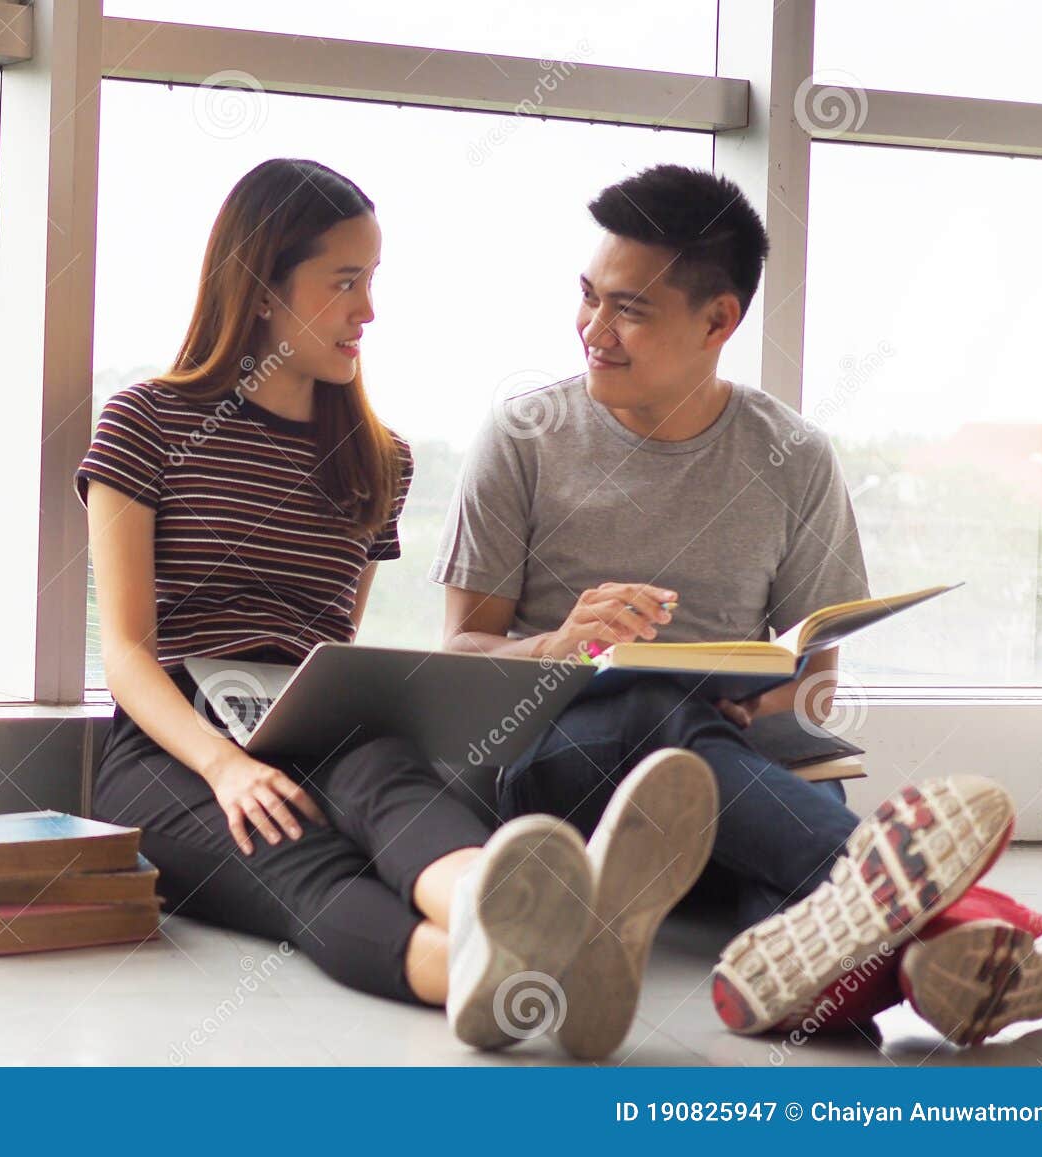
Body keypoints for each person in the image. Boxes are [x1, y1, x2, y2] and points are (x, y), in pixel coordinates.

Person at [433, 163, 1042, 1049]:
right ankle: (959, 912)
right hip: (551, 780)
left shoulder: (794, 456)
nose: (594, 330)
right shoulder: (523, 437)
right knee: (651, 710)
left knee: (773, 873)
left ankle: (928, 964)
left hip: (715, 786)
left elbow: (814, 685)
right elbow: (456, 658)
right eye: (588, 298)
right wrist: (558, 643)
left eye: (628, 309)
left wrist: (768, 697)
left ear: (718, 321)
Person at [79, 157, 704, 1057]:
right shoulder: (144, 423)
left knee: (390, 778)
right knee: (303, 862)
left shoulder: (379, 459)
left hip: (307, 717)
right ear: (260, 288)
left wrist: (549, 647)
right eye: (345, 282)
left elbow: (332, 647)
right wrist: (225, 768)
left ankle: (534, 923)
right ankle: (532, 965)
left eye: (372, 281)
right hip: (173, 743)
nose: (368, 309)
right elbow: (129, 653)